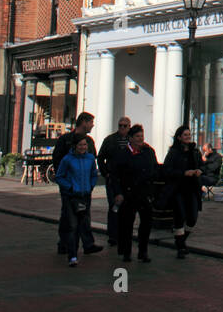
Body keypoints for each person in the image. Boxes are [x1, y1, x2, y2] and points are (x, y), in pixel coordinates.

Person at [112, 124, 159, 263]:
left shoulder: (149, 152)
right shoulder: (122, 154)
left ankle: (143, 251)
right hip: (128, 194)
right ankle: (126, 251)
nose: (140, 139)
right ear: (130, 138)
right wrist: (118, 193)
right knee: (127, 224)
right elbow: (115, 176)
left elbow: (155, 169)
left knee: (146, 223)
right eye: (137, 136)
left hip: (144, 193)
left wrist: (152, 187)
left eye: (142, 136)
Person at [52, 113, 96, 254]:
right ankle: (64, 244)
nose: (92, 125)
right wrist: (66, 184)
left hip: (84, 187)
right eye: (91, 122)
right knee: (68, 216)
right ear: (83, 122)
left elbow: (91, 161)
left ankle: (88, 244)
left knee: (84, 214)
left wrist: (90, 184)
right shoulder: (65, 139)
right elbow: (58, 160)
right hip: (70, 187)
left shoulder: (89, 141)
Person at [55, 136, 102, 266]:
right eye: (80, 145)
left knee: (83, 224)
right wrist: (70, 187)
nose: (83, 147)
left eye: (85, 145)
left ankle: (80, 249)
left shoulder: (90, 158)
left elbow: (93, 173)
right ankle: (72, 255)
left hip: (85, 195)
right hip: (72, 197)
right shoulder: (67, 160)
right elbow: (59, 176)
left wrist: (91, 185)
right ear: (75, 146)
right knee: (72, 226)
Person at [162, 126, 204, 257]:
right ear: (179, 137)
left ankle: (180, 240)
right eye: (185, 135)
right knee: (180, 216)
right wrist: (183, 173)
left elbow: (201, 166)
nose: (188, 137)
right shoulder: (174, 152)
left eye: (189, 134)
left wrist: (199, 171)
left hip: (192, 188)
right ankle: (181, 246)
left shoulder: (195, 151)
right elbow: (166, 170)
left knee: (192, 218)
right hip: (178, 189)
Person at [97, 116, 132, 246]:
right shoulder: (110, 140)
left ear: (129, 127)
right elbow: (100, 158)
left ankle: (123, 233)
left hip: (127, 179)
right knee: (114, 206)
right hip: (113, 178)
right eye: (120, 125)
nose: (122, 128)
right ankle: (113, 235)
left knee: (126, 207)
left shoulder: (132, 140)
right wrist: (106, 173)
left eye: (125, 126)